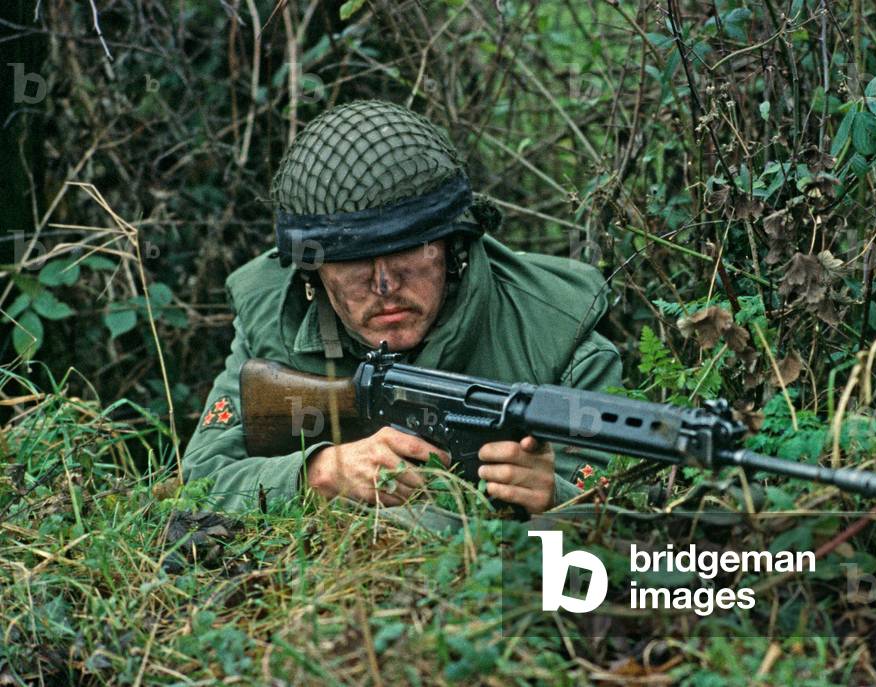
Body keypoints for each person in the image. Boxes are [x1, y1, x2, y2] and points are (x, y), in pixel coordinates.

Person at [182, 100, 622, 515]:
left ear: (454, 247)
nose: (385, 285)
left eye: (408, 251)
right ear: (312, 273)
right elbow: (200, 481)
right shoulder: (274, 318)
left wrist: (554, 496)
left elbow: (628, 518)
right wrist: (320, 473)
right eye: (354, 261)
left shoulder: (557, 331)